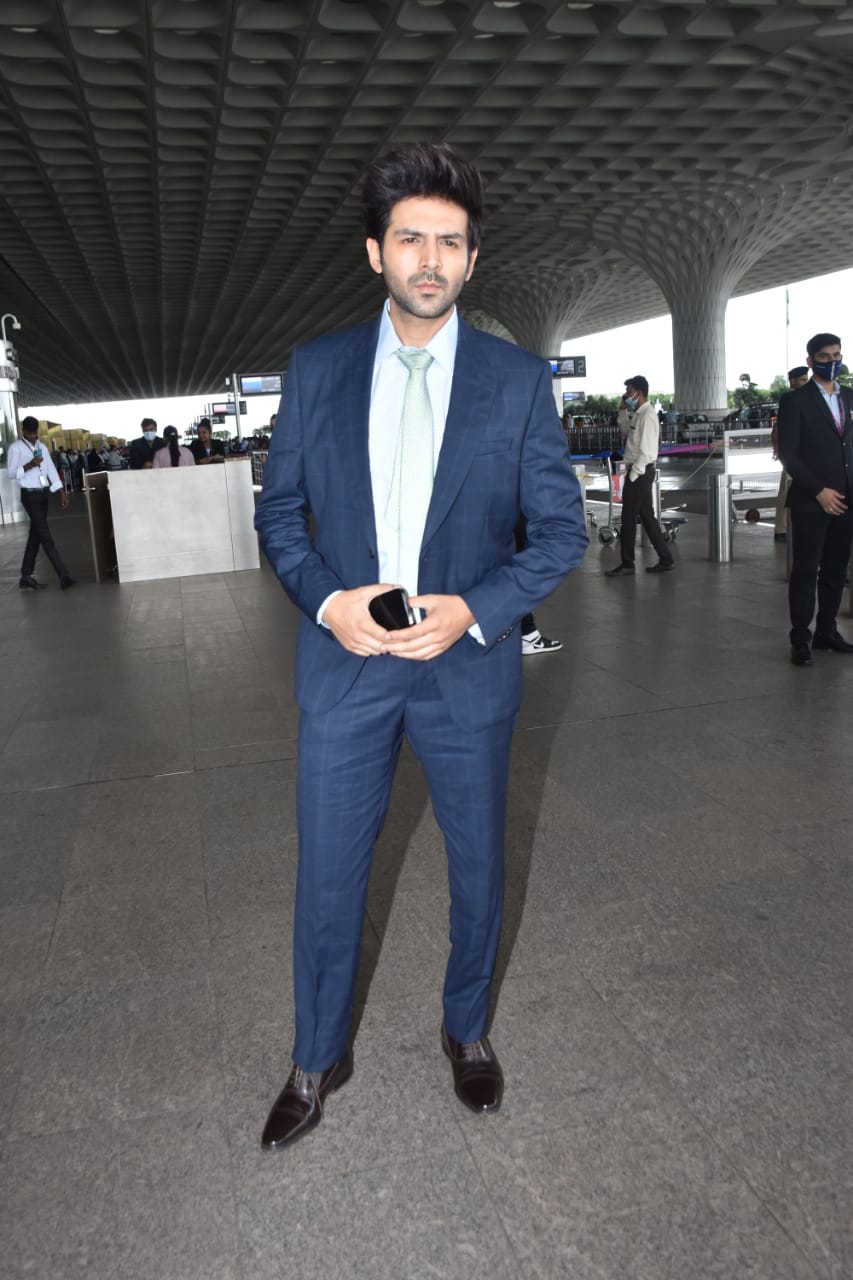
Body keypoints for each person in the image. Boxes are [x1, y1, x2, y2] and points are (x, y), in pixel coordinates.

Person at [254, 142, 587, 1152]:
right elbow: (282, 521)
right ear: (375, 252)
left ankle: (468, 1028)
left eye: (449, 241)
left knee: (479, 865)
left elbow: (562, 530)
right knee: (328, 875)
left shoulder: (517, 381)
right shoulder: (314, 373)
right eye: (411, 239)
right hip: (347, 664)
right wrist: (328, 605)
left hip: (466, 668)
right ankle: (316, 1057)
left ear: (472, 259)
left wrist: (473, 610)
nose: (430, 258)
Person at [777, 333, 853, 665]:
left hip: (847, 498)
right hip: (812, 499)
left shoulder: (850, 396)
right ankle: (800, 637)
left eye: (837, 354)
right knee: (806, 570)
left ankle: (826, 632)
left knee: (836, 569)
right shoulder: (795, 401)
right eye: (824, 356)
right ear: (811, 361)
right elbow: (789, 454)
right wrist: (819, 491)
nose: (832, 361)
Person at [605, 374, 674, 576]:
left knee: (628, 517)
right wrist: (622, 411)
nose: (626, 395)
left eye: (629, 391)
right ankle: (666, 558)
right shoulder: (639, 413)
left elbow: (646, 452)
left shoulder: (648, 416)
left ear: (638, 392)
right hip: (640, 471)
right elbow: (627, 431)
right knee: (647, 517)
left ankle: (627, 564)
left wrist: (633, 476)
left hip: (640, 472)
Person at [7, 416, 75, 590]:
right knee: (45, 535)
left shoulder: (41, 446)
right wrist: (30, 464)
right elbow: (12, 473)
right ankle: (63, 574)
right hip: (29, 496)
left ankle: (26, 576)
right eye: (30, 433)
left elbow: (51, 469)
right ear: (24, 431)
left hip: (44, 495)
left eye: (35, 433)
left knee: (35, 535)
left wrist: (61, 491)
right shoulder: (16, 448)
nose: (33, 436)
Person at [772, 367, 810, 542]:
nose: (806, 382)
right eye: (802, 379)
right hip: (793, 456)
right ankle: (781, 528)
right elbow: (778, 428)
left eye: (806, 378)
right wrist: (779, 451)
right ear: (792, 381)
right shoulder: (789, 400)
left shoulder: (809, 399)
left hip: (809, 454)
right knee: (786, 491)